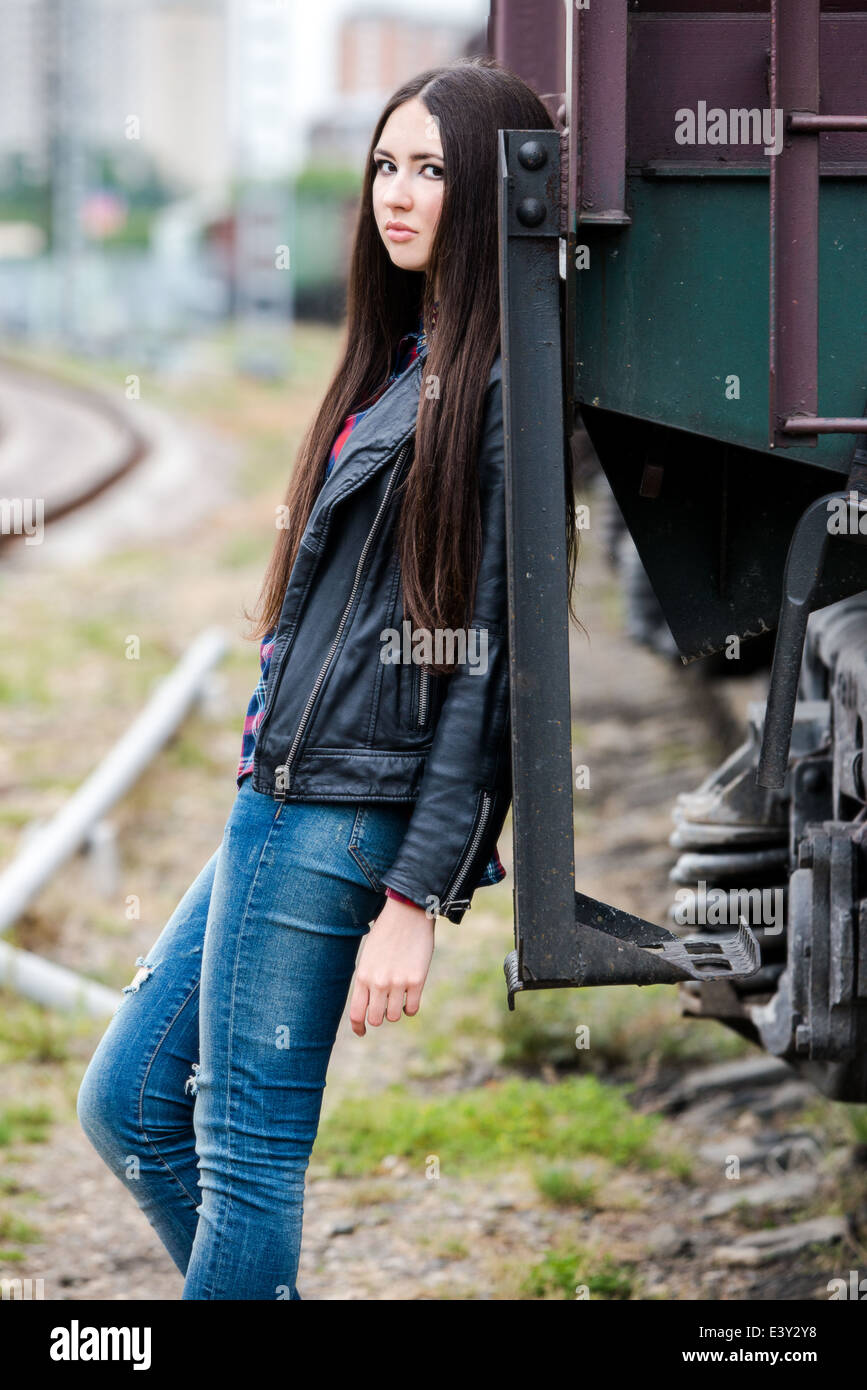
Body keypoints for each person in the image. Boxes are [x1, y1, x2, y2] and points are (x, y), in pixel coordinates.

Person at [77, 56, 579, 1301]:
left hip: (336, 824)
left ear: (499, 193)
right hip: (280, 798)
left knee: (245, 1165)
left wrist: (417, 896)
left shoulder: (501, 389)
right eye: (385, 165)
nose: (395, 195)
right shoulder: (405, 361)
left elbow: (495, 671)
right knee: (129, 1102)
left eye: (432, 171)